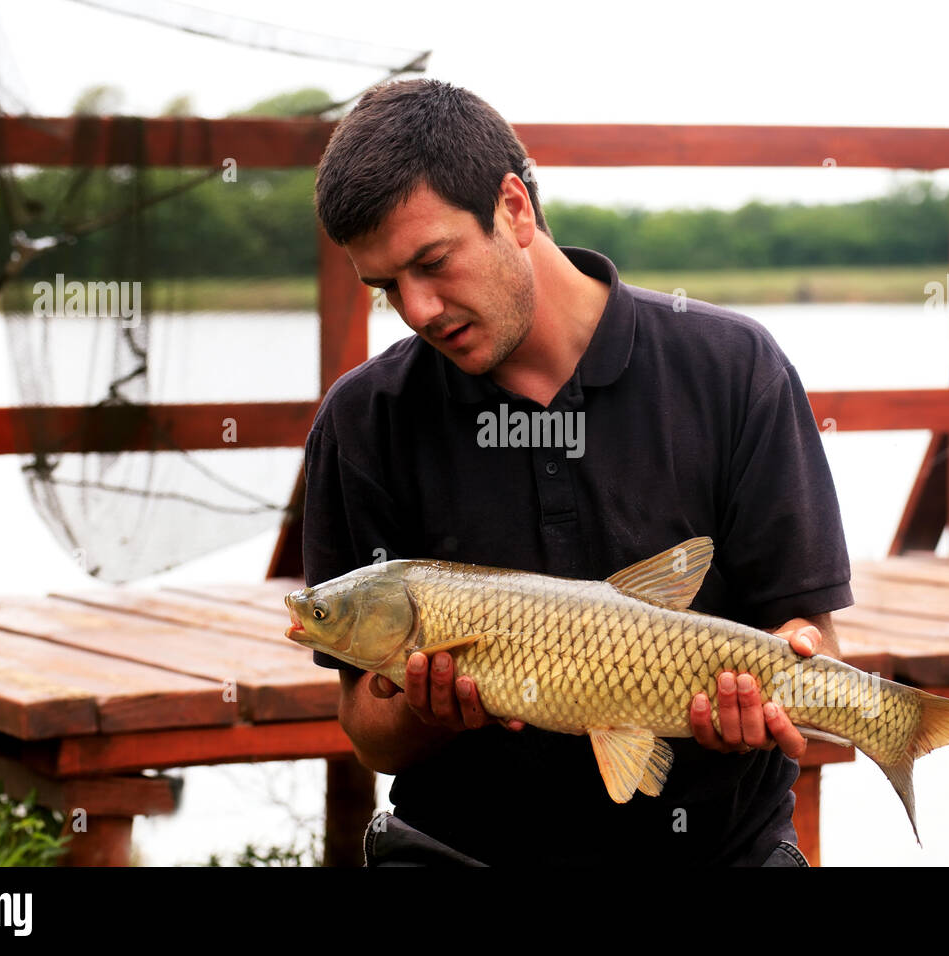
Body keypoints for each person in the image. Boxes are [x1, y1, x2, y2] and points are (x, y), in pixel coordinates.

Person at [303, 79, 853, 866]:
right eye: (387, 287)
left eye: (433, 263)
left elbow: (807, 634)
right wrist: (429, 712)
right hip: (462, 853)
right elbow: (368, 731)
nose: (418, 309)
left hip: (718, 851)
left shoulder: (734, 368)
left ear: (514, 207)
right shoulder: (365, 420)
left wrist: (775, 683)